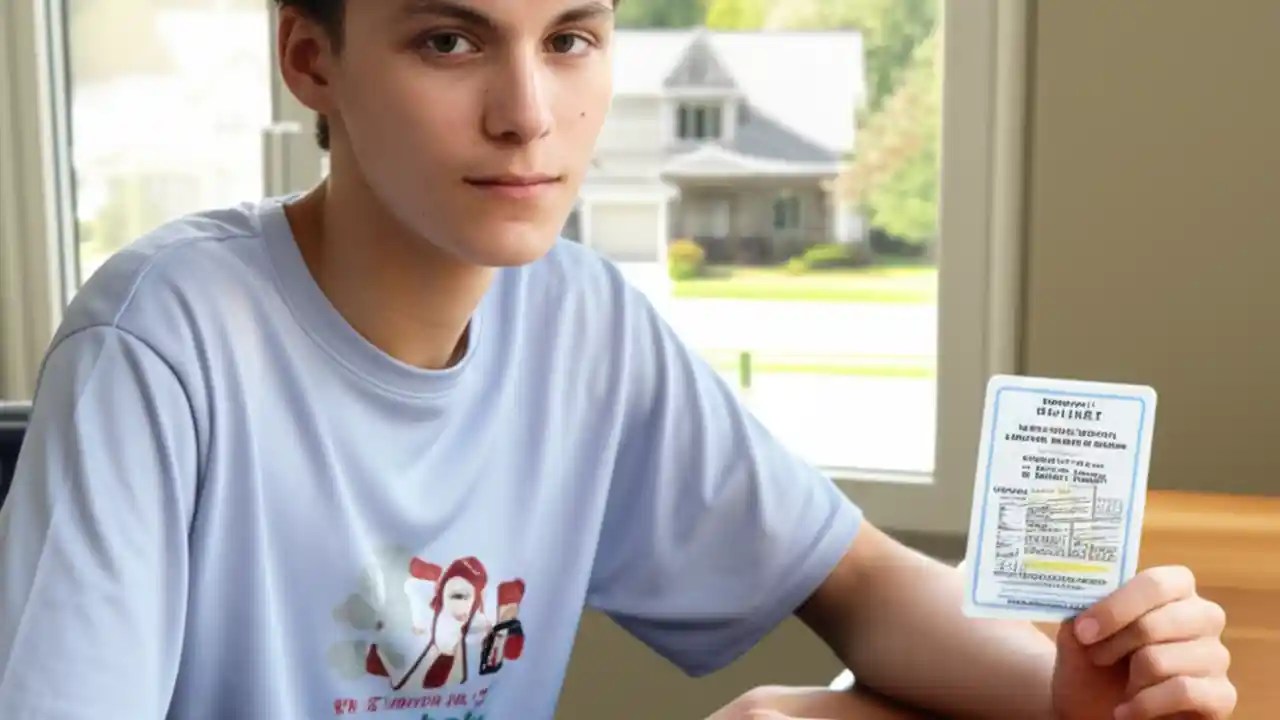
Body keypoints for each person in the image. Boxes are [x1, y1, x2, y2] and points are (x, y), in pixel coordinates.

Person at [0, 1, 1235, 718]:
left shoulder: (581, 323)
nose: (529, 115)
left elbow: (854, 581)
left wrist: (1067, 694)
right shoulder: (160, 344)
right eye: (449, 39)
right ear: (310, 58)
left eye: (573, 37)